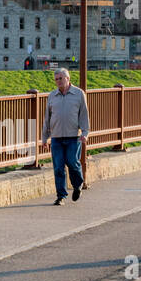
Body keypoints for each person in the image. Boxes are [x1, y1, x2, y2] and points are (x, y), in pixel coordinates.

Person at [42, 68, 89, 205]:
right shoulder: (52, 96)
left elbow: (84, 115)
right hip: (56, 137)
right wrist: (45, 137)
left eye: (60, 78)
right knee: (58, 167)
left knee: (72, 163)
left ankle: (77, 185)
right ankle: (61, 196)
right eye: (56, 79)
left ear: (68, 79)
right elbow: (47, 118)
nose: (58, 81)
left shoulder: (79, 94)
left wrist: (85, 133)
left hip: (73, 136)